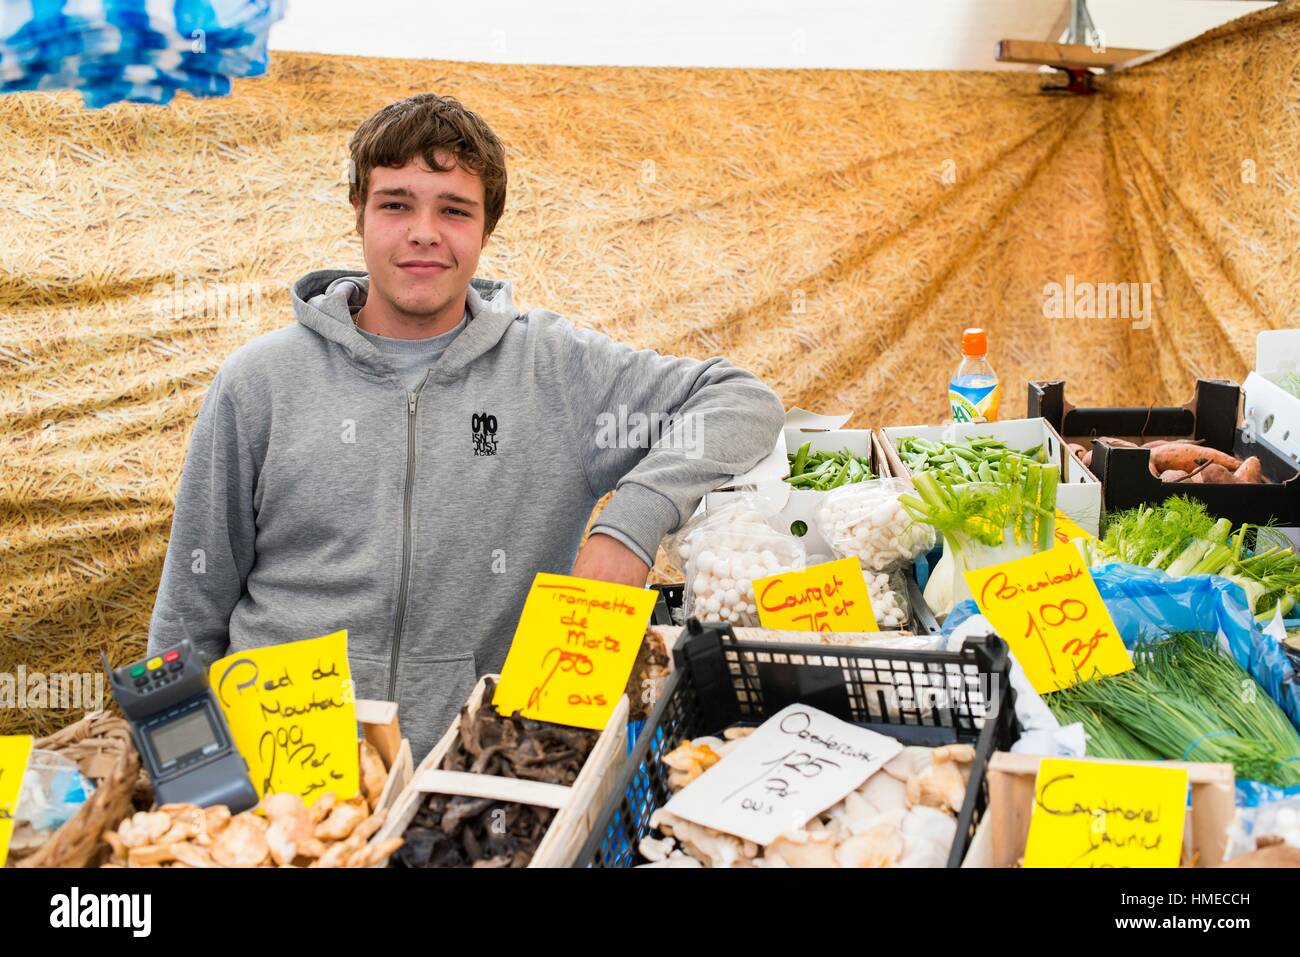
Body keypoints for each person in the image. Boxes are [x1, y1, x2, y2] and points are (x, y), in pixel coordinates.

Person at [147, 93, 785, 760]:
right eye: (397, 204)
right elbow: (191, 604)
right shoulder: (259, 382)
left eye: (454, 210)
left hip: (476, 774)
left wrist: (631, 519)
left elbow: (742, 399)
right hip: (284, 771)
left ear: (485, 231)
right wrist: (180, 770)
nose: (424, 231)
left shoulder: (556, 369)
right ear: (359, 214)